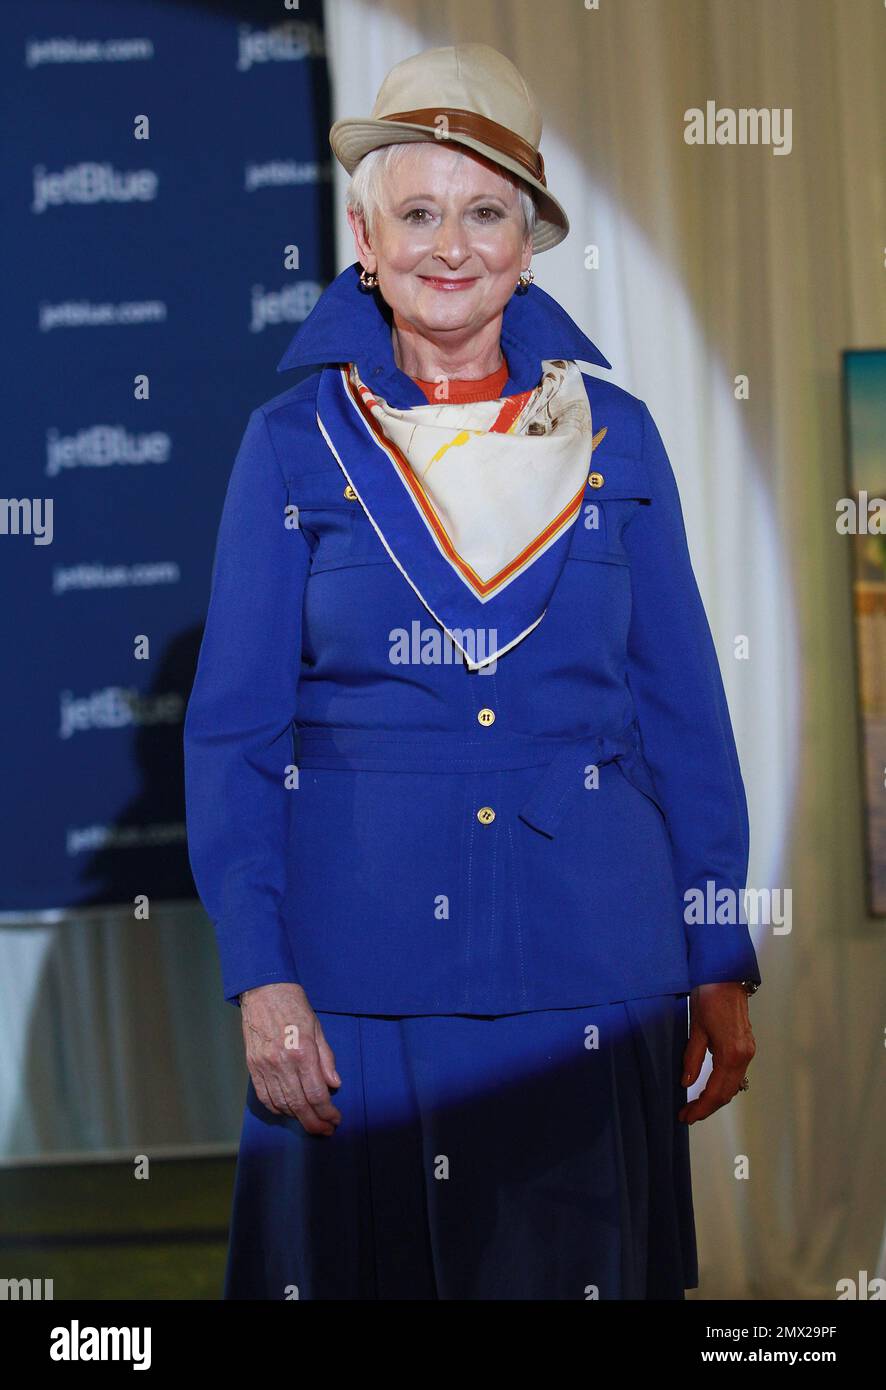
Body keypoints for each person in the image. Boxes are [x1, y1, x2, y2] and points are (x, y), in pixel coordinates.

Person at [183, 42, 760, 1300]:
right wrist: (260, 972)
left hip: (595, 979)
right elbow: (233, 734)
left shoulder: (620, 436)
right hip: (354, 989)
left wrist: (717, 949)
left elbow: (682, 714)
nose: (451, 245)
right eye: (420, 212)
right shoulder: (290, 444)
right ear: (364, 233)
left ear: (530, 239)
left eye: (485, 212)